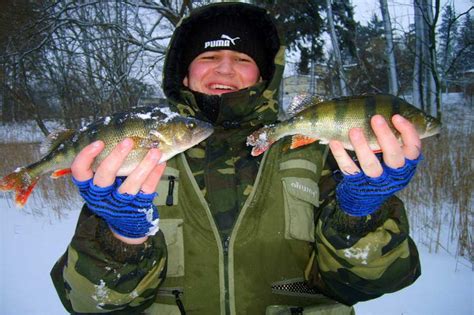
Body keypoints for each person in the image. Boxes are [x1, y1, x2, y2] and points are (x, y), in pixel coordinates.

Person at [51, 2, 422, 314]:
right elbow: (89, 303)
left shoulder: (322, 150)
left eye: (241, 57)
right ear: (184, 73)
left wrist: (358, 216)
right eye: (209, 55)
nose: (225, 69)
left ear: (264, 74)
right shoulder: (133, 157)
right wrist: (121, 237)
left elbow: (373, 283)